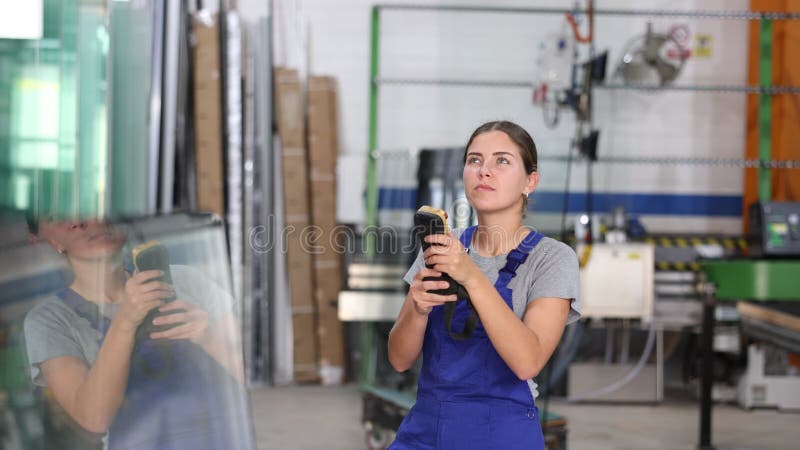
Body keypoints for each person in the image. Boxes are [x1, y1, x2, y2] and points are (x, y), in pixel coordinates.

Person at [387, 121, 581, 450]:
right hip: (425, 430)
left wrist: (471, 275)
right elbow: (399, 359)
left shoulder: (552, 258)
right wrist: (417, 310)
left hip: (501, 435)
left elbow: (527, 361)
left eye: (502, 161)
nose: (484, 171)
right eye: (474, 160)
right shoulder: (440, 249)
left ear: (530, 182)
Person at [22, 217, 254, 450]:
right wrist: (125, 320)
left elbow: (246, 373)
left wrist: (208, 335)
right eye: (57, 217)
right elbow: (93, 419)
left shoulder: (186, 280)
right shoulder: (50, 321)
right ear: (46, 240)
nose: (80, 221)